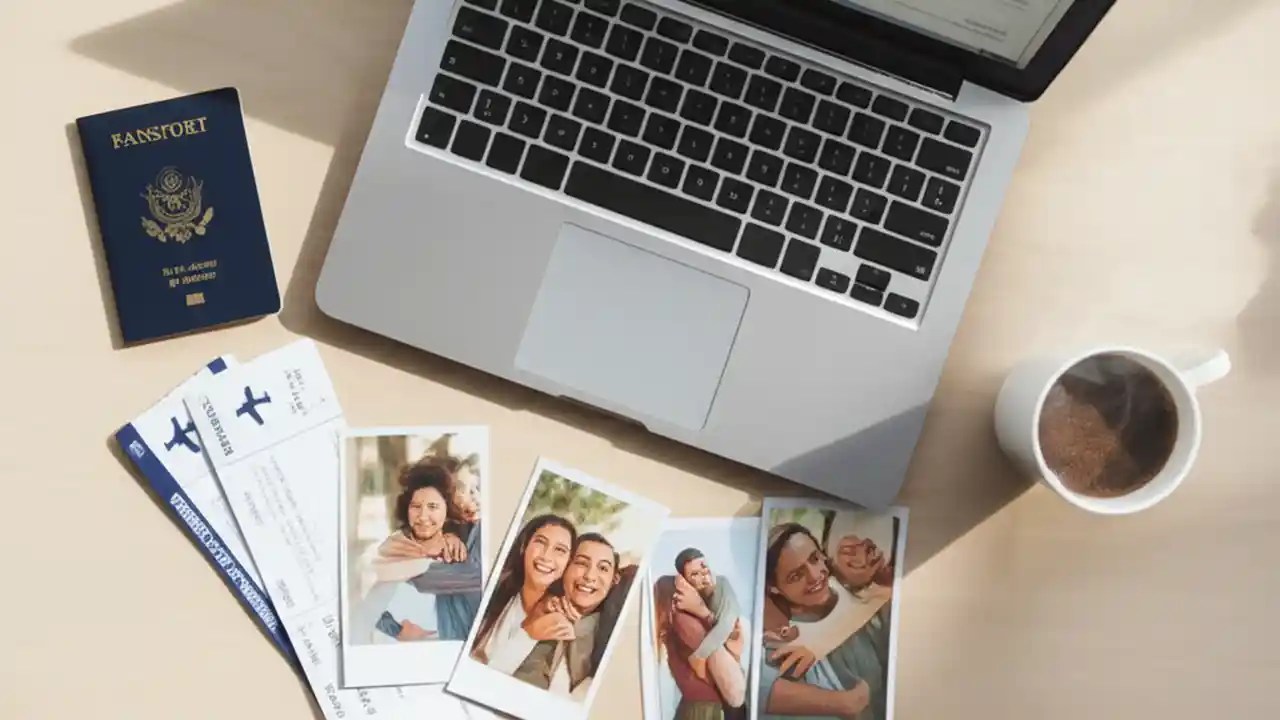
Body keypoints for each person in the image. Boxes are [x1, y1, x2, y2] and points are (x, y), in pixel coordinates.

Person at [757, 523, 894, 720]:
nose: (814, 576)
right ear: (774, 588)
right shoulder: (785, 644)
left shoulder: (862, 593)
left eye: (814, 559)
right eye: (796, 575)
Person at [354, 461, 477, 643]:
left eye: (433, 507)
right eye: (416, 506)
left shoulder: (458, 554)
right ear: (407, 509)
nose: (423, 516)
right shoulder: (394, 550)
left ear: (447, 510)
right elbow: (366, 609)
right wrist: (398, 632)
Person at [508, 533, 627, 700]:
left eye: (603, 568)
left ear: (614, 579)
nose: (589, 576)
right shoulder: (534, 608)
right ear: (565, 568)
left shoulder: (612, 631)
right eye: (581, 563)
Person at [655, 548, 748, 720]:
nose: (703, 576)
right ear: (684, 582)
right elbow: (735, 693)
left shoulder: (721, 587)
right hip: (706, 707)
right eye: (694, 574)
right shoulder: (684, 617)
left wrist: (702, 611)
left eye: (705, 568)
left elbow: (726, 625)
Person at [471, 514, 577, 665]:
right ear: (524, 547)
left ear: (569, 562)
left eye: (560, 550)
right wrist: (529, 633)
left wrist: (528, 636)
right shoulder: (494, 592)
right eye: (540, 542)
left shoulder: (559, 622)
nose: (546, 556)